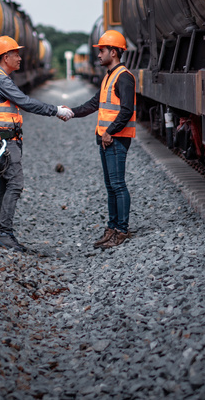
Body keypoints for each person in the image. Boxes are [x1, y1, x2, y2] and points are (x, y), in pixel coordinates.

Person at [0, 35, 73, 252]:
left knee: (6, 184)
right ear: (5, 57)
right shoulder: (1, 79)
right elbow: (25, 102)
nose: (20, 58)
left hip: (0, 139)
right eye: (16, 54)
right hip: (3, 140)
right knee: (14, 184)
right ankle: (4, 233)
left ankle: (1, 230)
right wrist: (56, 110)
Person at [67, 29, 136, 249]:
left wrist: (110, 132)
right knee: (110, 186)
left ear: (114, 52)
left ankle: (122, 230)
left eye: (102, 50)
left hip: (116, 139)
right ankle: (113, 227)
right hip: (106, 139)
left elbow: (126, 110)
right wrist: (70, 112)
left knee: (118, 185)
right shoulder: (109, 76)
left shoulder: (124, 77)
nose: (98, 54)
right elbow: (93, 104)